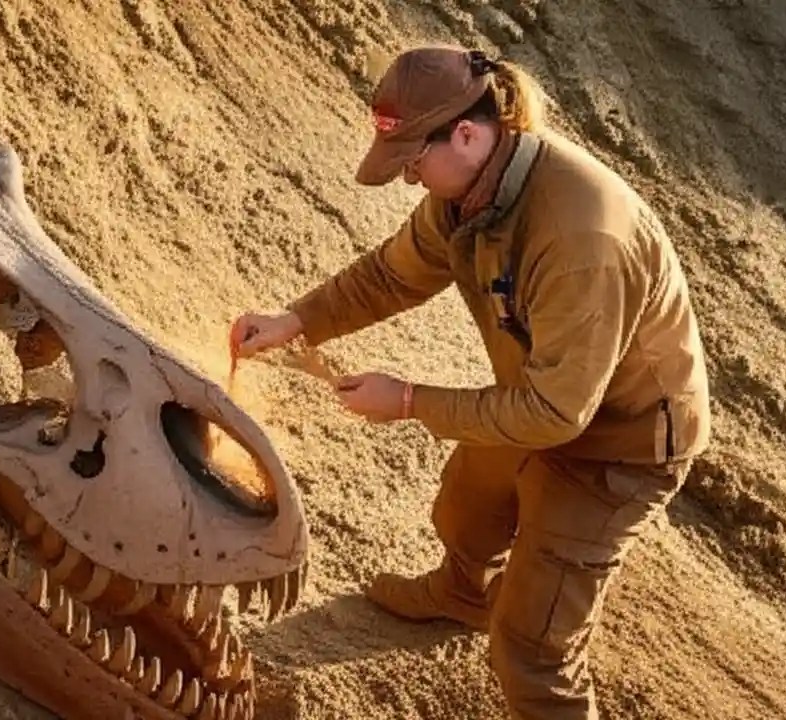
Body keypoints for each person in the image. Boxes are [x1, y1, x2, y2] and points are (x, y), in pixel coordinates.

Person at [230, 44, 711, 719]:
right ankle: (463, 593)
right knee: (466, 506)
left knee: (532, 646)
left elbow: (556, 413)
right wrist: (296, 319)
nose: (409, 182)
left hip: (620, 445)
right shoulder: (468, 195)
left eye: (412, 162)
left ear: (466, 133)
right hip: (542, 396)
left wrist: (407, 401)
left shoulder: (581, 240)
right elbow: (392, 274)